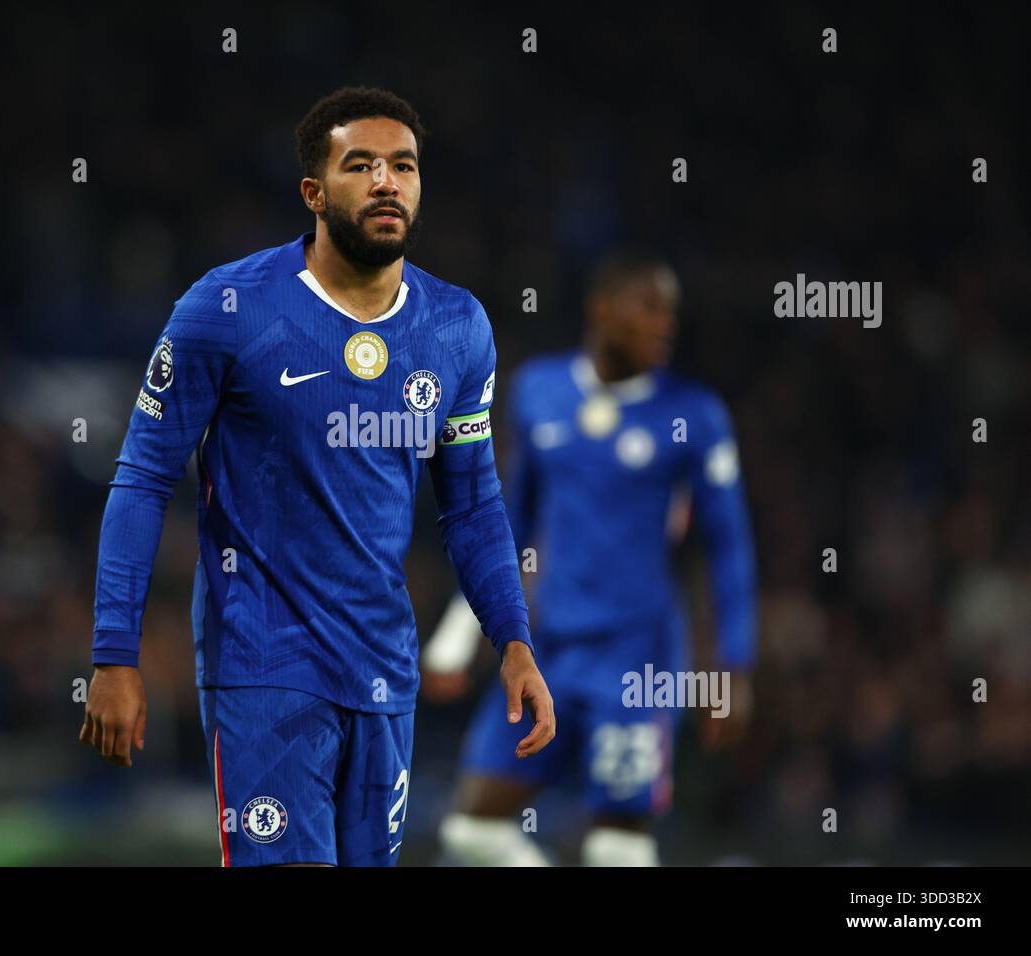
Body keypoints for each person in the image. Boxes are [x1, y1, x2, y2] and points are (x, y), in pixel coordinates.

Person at [78, 86, 555, 866]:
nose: (385, 182)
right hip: (261, 663)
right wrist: (113, 654)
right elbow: (140, 479)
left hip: (383, 667)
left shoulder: (456, 327)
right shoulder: (227, 309)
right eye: (360, 164)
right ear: (314, 191)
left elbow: (471, 506)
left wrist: (513, 642)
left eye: (403, 165)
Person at [425, 250, 756, 866]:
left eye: (671, 311)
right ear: (603, 310)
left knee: (615, 847)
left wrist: (734, 662)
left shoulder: (694, 415)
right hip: (547, 647)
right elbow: (504, 523)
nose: (666, 324)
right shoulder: (539, 391)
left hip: (637, 659)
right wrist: (459, 631)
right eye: (650, 308)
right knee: (469, 835)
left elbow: (729, 544)